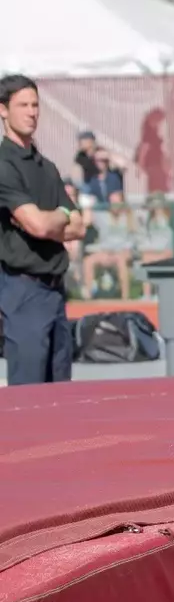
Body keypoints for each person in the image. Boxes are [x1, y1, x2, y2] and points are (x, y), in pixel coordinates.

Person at [0, 75, 86, 386]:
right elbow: (37, 224)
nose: (32, 112)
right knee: (27, 394)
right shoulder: (4, 164)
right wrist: (60, 216)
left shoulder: (46, 167)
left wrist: (55, 218)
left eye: (35, 105)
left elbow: (78, 226)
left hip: (55, 290)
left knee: (60, 393)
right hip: (22, 291)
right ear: (3, 110)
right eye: (23, 105)